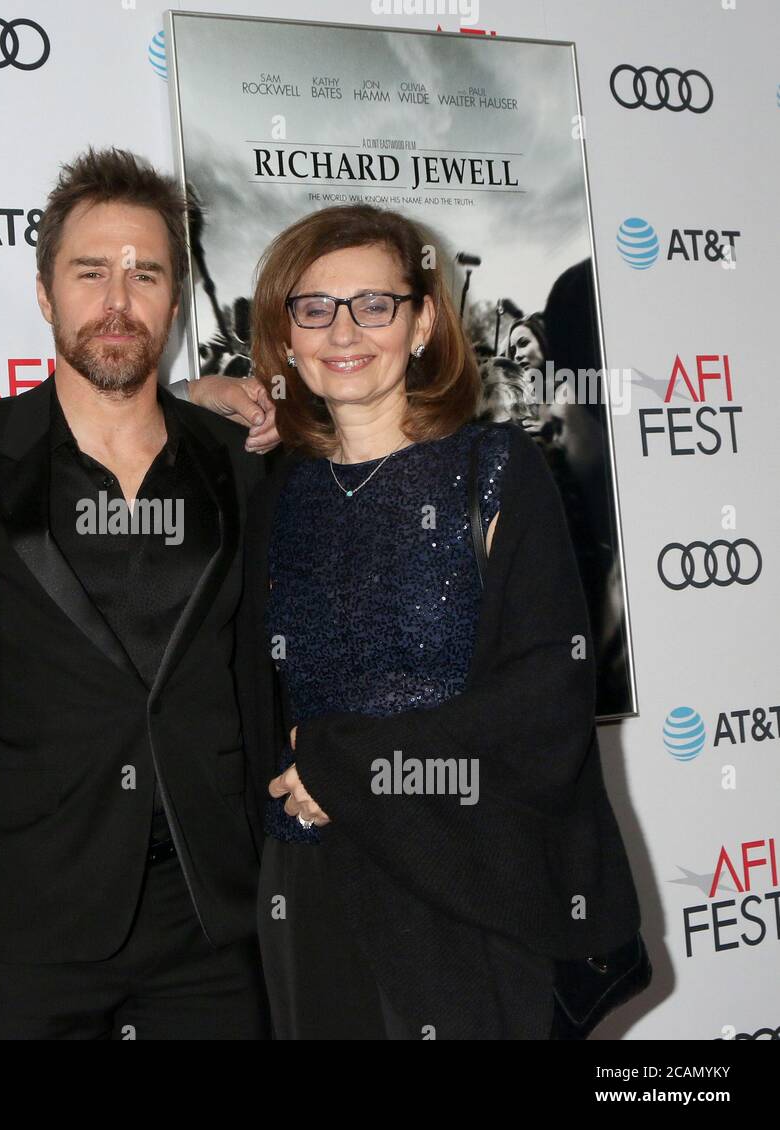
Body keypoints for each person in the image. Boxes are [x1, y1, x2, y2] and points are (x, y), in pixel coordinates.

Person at [236, 204, 644, 1039]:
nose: (343, 330)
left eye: (374, 304)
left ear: (422, 323)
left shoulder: (494, 472)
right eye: (313, 307)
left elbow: (545, 705)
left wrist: (346, 769)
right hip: (311, 893)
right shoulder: (278, 492)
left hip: (465, 898)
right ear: (285, 334)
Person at [0, 148, 270, 1039]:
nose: (118, 301)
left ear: (175, 300)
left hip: (213, 918)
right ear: (46, 294)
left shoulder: (240, 466)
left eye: (146, 274)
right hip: (30, 922)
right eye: (90, 273)